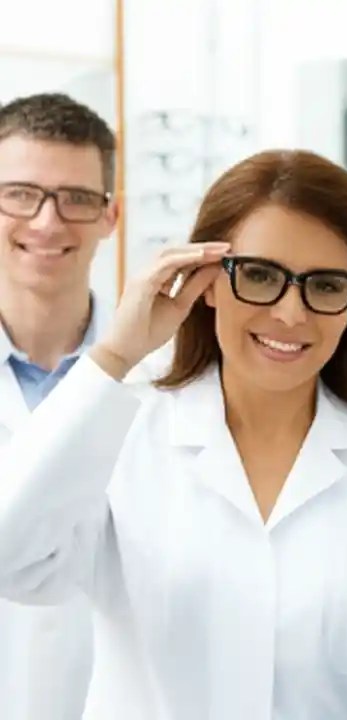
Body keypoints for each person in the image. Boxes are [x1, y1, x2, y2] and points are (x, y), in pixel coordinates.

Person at [0, 150, 347, 718]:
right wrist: (115, 354)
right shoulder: (127, 431)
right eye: (259, 276)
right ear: (205, 282)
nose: (290, 313)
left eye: (326, 286)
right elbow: (11, 557)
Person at [0, 92, 117, 720]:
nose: (48, 222)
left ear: (111, 215)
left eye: (76, 198)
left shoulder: (163, 383)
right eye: (20, 194)